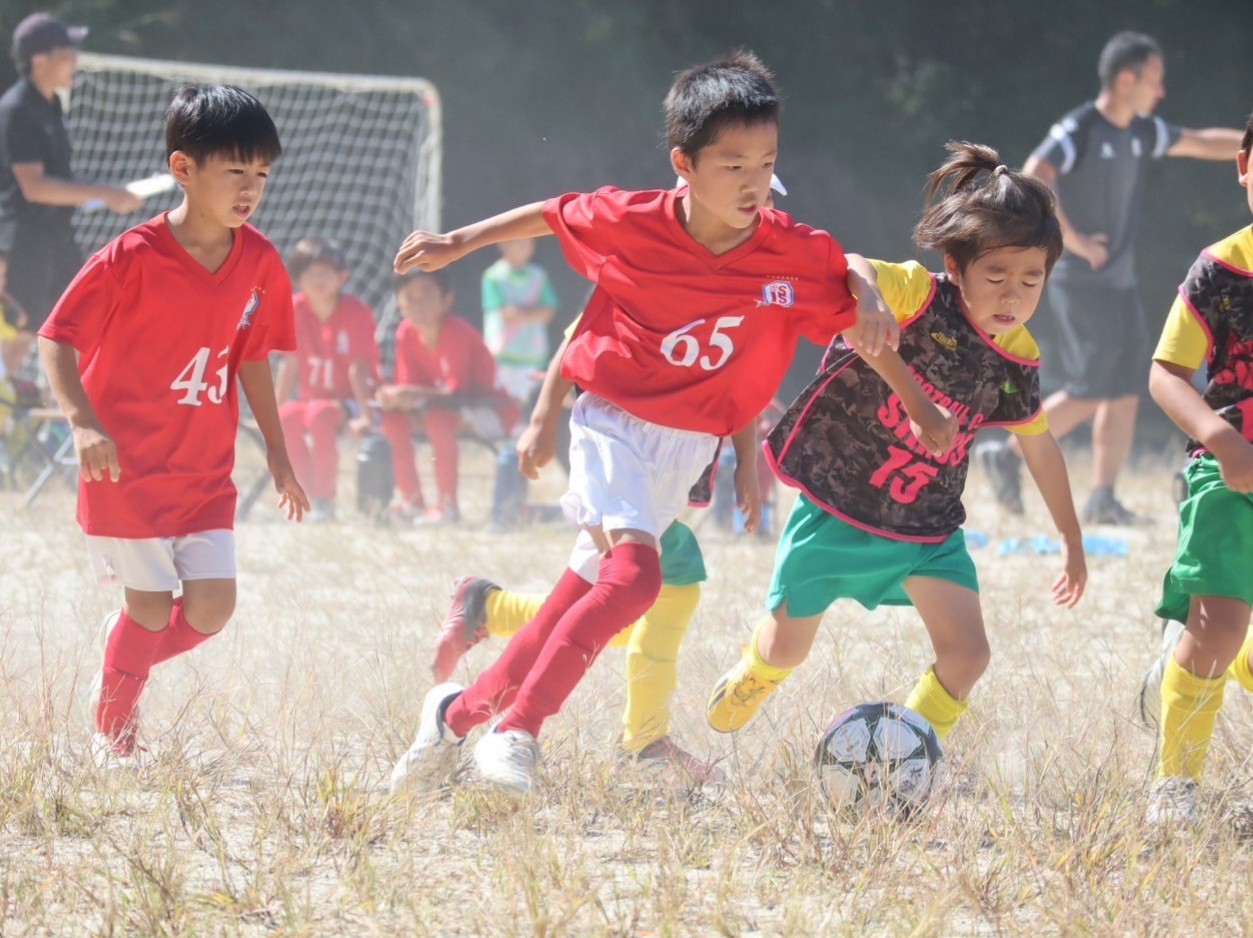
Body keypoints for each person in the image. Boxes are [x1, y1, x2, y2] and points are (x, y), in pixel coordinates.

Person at [387, 49, 939, 799]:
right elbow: (553, 212)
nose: (752, 183)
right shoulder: (631, 221)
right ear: (683, 163)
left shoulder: (786, 252)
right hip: (613, 420)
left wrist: (914, 400)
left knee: (572, 603)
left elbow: (849, 290)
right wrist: (456, 242)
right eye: (732, 165)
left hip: (685, 450)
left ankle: (455, 715)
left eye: (766, 162)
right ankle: (515, 731)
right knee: (637, 578)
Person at [706, 143, 1087, 750]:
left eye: (1030, 279)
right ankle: (757, 672)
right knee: (787, 648)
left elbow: (1039, 448)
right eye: (995, 276)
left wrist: (1070, 535)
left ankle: (906, 751)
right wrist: (877, 307)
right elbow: (850, 269)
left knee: (968, 655)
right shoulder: (917, 294)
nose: (1012, 295)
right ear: (956, 267)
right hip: (839, 505)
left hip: (926, 525)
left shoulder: (1019, 356)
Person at [37, 84, 309, 769]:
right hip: (124, 470)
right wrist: (82, 422)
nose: (252, 188)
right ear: (184, 169)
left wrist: (278, 454)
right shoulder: (130, 256)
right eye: (236, 171)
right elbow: (56, 339)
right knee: (153, 610)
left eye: (263, 175)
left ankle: (125, 648)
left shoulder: (262, 263)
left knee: (213, 609)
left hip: (204, 471)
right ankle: (114, 735)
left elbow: (251, 358)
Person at [979, 31, 1244, 525]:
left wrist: (1248, 142)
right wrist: (1075, 242)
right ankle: (1008, 452)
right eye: (1155, 81)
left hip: (1117, 284)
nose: (1160, 92)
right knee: (1091, 388)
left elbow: (1199, 140)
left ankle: (1103, 497)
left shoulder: (1140, 131)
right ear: (1127, 78)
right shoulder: (1081, 129)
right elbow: (1034, 174)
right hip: (1080, 281)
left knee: (1124, 390)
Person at [1134, 110, 1253, 827]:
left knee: (1232, 638)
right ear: (1242, 168)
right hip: (1227, 472)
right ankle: (1174, 786)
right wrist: (1219, 437)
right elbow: (1165, 371)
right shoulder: (1219, 267)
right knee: (1214, 626)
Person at [415, 519, 720, 783]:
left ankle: (490, 609)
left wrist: (744, 462)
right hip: (634, 500)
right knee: (656, 596)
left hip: (653, 496)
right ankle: (645, 742)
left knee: (609, 616)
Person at [0, 13, 142, 370]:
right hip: (25, 241)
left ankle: (60, 413)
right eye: (67, 53)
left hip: (58, 236)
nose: (75, 62)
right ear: (39, 60)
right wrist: (106, 193)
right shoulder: (17, 109)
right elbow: (34, 187)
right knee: (20, 330)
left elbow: (61, 179)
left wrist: (105, 196)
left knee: (79, 320)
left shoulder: (54, 107)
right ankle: (7, 414)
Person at [377, 268, 517, 525]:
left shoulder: (457, 331)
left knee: (438, 419)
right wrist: (394, 397)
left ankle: (448, 507)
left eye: (428, 295)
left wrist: (409, 394)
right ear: (399, 301)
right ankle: (412, 501)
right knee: (393, 420)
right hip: (445, 410)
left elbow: (456, 393)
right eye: (409, 296)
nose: (418, 304)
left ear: (447, 300)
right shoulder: (405, 332)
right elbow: (410, 387)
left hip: (492, 412)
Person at [274, 236, 379, 522]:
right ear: (297, 278)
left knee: (321, 415)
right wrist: (274, 409)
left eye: (326, 273)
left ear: (342, 277)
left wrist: (366, 416)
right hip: (314, 401)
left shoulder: (355, 312)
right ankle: (301, 495)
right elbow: (290, 364)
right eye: (311, 273)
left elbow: (359, 369)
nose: (319, 280)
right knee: (288, 417)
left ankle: (325, 500)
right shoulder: (295, 309)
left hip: (355, 401)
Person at [481, 237, 558, 531]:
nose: (521, 249)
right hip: (503, 358)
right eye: (515, 243)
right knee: (509, 428)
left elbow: (548, 310)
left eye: (526, 244)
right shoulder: (493, 276)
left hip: (532, 358)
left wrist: (524, 314)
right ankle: (506, 497)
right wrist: (530, 314)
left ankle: (518, 499)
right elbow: (503, 312)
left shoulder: (540, 276)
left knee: (526, 424)